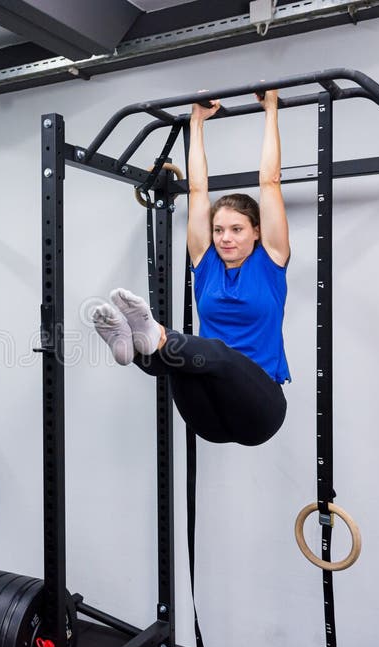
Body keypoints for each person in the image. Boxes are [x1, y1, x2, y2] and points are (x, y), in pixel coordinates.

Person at [92, 89, 290, 446]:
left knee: (217, 354)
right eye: (218, 230)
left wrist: (271, 110)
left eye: (236, 229)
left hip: (260, 409)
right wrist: (196, 121)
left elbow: (269, 182)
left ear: (257, 232)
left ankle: (153, 339)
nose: (224, 238)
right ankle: (133, 347)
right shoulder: (206, 261)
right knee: (182, 363)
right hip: (207, 418)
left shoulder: (271, 260)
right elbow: (198, 191)